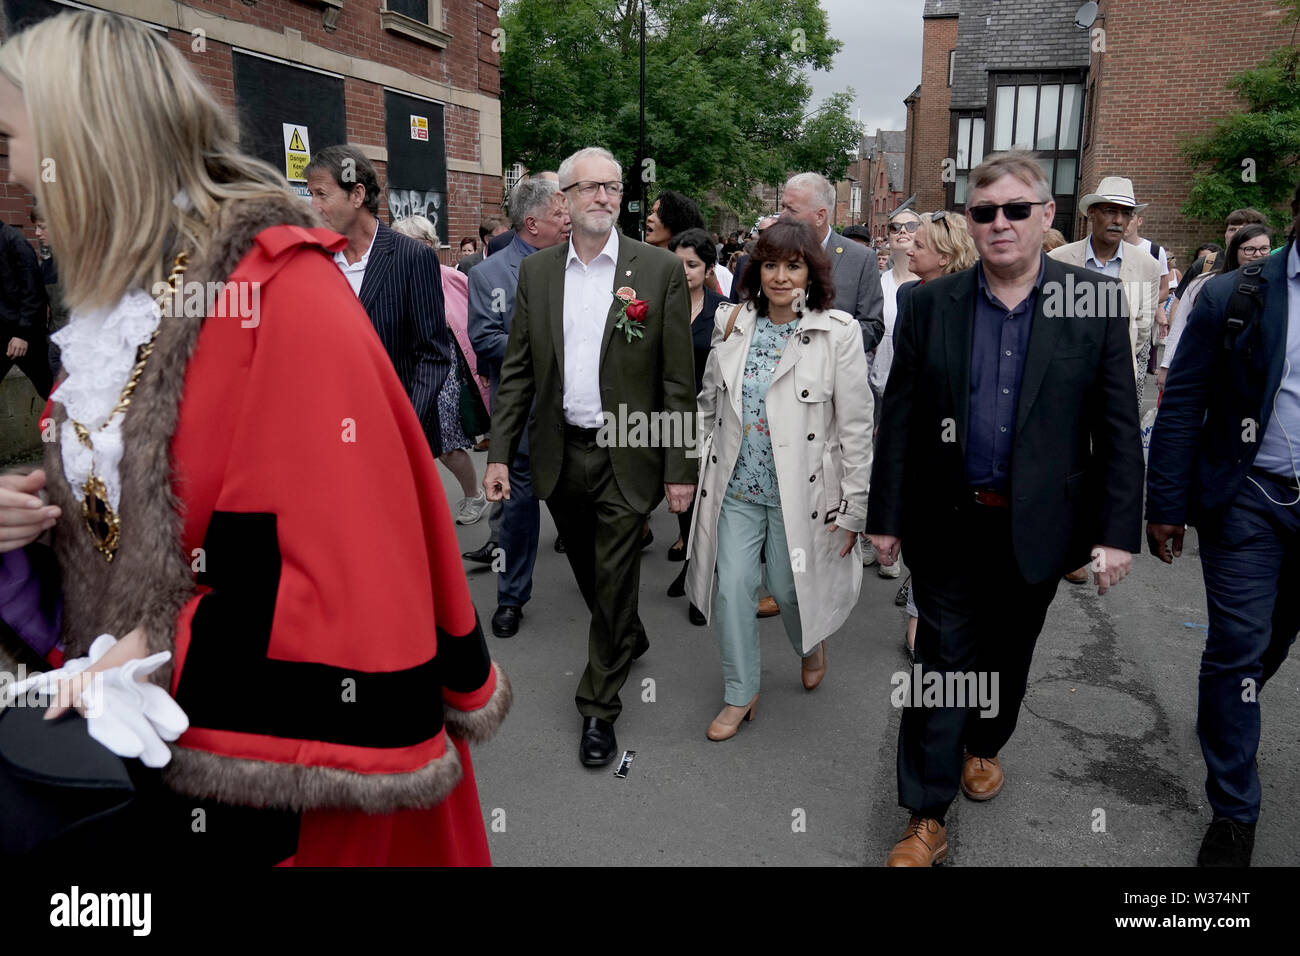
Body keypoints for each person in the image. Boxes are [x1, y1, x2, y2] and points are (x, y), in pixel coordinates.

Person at [0, 10, 508, 865]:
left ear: (82, 139)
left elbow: (344, 561)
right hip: (129, 745)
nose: (12, 168)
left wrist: (161, 644)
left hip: (264, 780)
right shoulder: (113, 299)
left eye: (12, 136)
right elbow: (142, 493)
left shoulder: (277, 288)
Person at [867, 150, 1144, 867]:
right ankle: (925, 813)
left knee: (1007, 659)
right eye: (984, 212)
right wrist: (886, 516)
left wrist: (1118, 533)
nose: (1000, 224)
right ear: (970, 220)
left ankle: (984, 742)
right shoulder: (931, 305)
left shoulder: (1091, 301)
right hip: (948, 522)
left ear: (1046, 215)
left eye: (1016, 210)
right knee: (943, 661)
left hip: (1040, 528)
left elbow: (1117, 427)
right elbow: (897, 418)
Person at [484, 146, 696, 768]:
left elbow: (676, 381)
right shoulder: (539, 272)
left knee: (614, 572)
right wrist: (499, 455)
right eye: (590, 188)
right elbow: (518, 371)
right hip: (559, 453)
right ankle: (626, 629)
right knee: (590, 568)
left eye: (613, 187)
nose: (605, 197)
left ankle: (599, 705)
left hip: (627, 452)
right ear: (564, 202)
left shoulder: (654, 270)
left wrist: (680, 467)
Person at [1145, 179, 1300, 867]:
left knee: (1268, 644)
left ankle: (1227, 708)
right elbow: (1182, 404)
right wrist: (1166, 504)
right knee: (1237, 643)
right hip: (1250, 497)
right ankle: (1235, 813)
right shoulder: (1238, 292)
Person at [686, 219, 870, 739]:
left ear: (811, 272)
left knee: (790, 593)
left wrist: (855, 508)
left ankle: (810, 643)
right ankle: (740, 693)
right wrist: (689, 466)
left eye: (793, 266)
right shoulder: (733, 322)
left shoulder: (838, 333)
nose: (781, 277)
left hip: (801, 499)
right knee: (733, 592)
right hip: (737, 490)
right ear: (756, 270)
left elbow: (855, 429)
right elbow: (709, 405)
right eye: (771, 265)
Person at [463, 177, 571, 638]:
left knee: (582, 514)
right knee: (519, 514)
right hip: (523, 417)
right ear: (532, 223)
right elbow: (484, 337)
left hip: (577, 417)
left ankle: (611, 610)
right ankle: (511, 598)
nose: (569, 220)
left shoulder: (582, 267)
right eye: (559, 214)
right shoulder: (490, 275)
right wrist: (547, 348)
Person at [305, 144, 456, 469]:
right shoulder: (312, 260)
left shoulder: (411, 257)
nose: (313, 206)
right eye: (311, 195)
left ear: (357, 195)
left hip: (395, 438)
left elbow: (433, 354)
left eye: (321, 194)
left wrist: (406, 427)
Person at [889, 210, 979, 657]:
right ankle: (919, 610)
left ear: (945, 256)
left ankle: (934, 614)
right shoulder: (910, 295)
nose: (909, 248)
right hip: (919, 427)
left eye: (919, 245)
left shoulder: (972, 302)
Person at [392, 215, 492, 524]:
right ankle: (410, 510)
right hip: (404, 372)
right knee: (405, 443)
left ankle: (473, 495)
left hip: (446, 372)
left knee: (446, 445)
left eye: (415, 244)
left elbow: (478, 320)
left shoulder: (452, 277)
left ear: (430, 246)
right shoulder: (391, 280)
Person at [1048, 176, 1160, 407]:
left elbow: (1141, 327)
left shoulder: (1147, 265)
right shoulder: (1058, 260)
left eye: (1126, 213)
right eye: (1110, 211)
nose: (1118, 220)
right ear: (1091, 213)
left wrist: (1113, 358)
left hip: (1116, 380)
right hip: (1063, 378)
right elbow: (1049, 322)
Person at [664, 227, 727, 619]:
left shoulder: (723, 310)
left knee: (701, 500)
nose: (684, 271)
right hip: (661, 415)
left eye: (693, 264)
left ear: (707, 269)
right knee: (676, 496)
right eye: (678, 263)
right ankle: (690, 561)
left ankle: (698, 581)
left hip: (706, 417)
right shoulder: (655, 305)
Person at [778, 172, 886, 352]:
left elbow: (872, 327)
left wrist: (823, 345)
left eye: (791, 210)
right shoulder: (772, 255)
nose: (782, 216)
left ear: (820, 216)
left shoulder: (860, 258)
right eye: (783, 207)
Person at [1161, 225, 1273, 393]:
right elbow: (1180, 326)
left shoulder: (1278, 287)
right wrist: (1166, 365)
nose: (1258, 254)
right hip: (1210, 368)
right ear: (1235, 250)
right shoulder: (1206, 284)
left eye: (1264, 249)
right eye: (1249, 249)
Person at [644, 189, 733, 298]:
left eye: (658, 214)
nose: (649, 218)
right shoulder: (643, 263)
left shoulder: (716, 273)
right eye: (651, 212)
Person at [0, 218, 52, 399]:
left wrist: (23, 334)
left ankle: (61, 427)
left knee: (52, 393)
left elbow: (33, 290)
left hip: (25, 336)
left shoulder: (13, 240)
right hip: (4, 332)